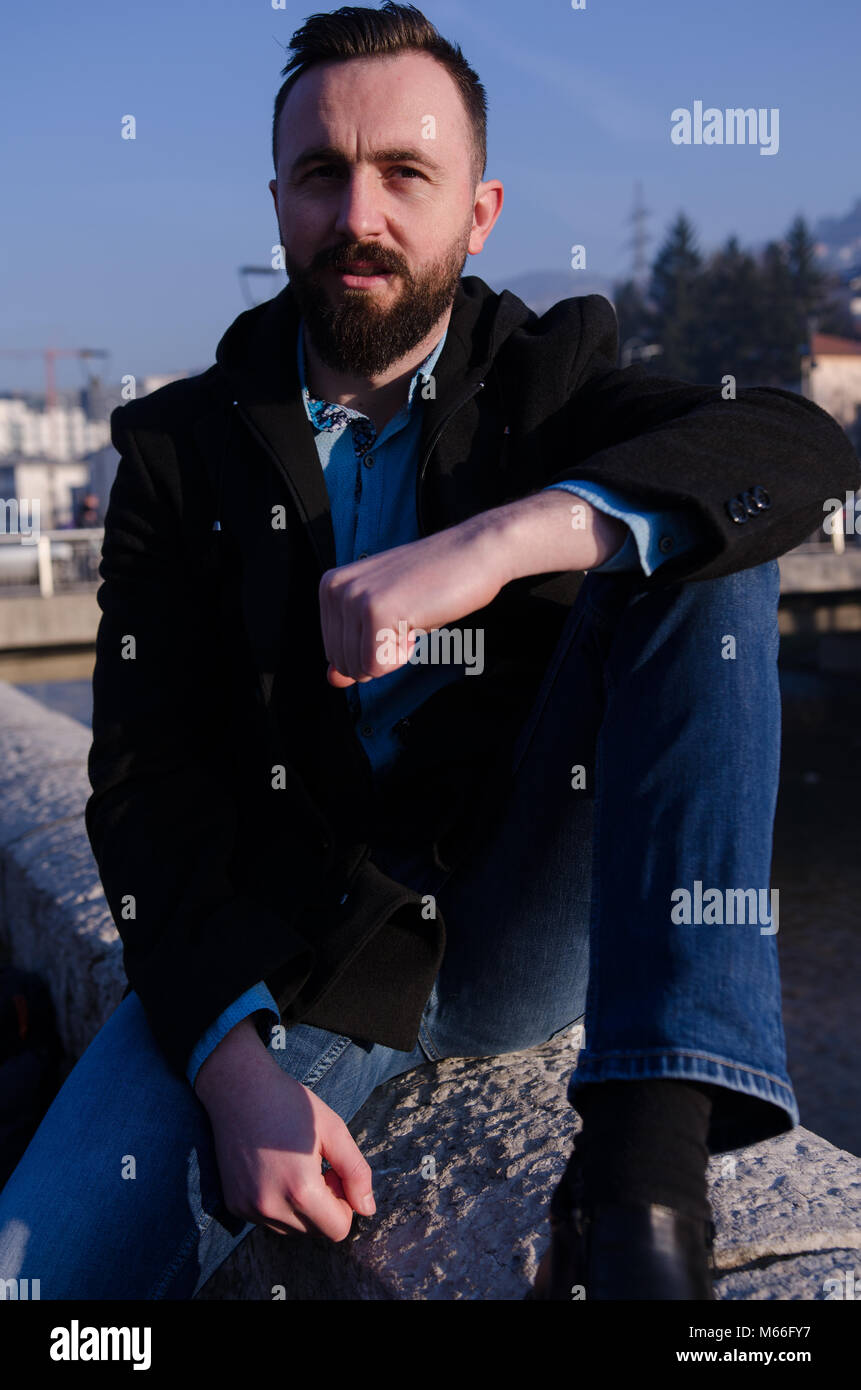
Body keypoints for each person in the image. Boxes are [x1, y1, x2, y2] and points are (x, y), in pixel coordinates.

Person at [1, 2, 858, 1301]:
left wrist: (508, 537)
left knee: (696, 548)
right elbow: (140, 785)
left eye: (406, 172)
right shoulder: (178, 452)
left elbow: (793, 448)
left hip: (519, 927)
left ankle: (638, 1178)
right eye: (321, 174)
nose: (361, 212)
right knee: (38, 1290)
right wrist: (233, 1070)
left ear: (480, 209)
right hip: (295, 957)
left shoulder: (547, 378)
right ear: (277, 201)